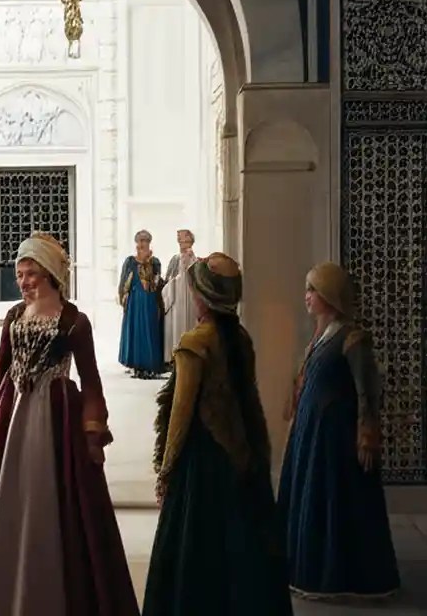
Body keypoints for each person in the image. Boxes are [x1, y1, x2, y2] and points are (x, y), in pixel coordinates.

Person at [0, 233, 138, 616]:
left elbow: (91, 380)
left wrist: (92, 430)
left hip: (56, 417)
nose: (23, 281)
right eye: (20, 274)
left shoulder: (74, 321)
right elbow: (2, 365)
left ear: (51, 273)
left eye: (31, 273)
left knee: (56, 501)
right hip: (11, 414)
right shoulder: (14, 316)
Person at [143, 253, 292, 615]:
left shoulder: (195, 343)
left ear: (202, 297)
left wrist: (165, 472)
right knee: (241, 551)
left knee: (195, 553)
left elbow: (179, 417)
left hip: (203, 464)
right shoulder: (239, 337)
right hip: (240, 457)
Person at [278, 261, 399, 599]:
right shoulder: (321, 336)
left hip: (336, 440)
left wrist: (367, 435)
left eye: (313, 290)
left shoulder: (352, 338)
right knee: (312, 500)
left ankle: (340, 577)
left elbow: (367, 391)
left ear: (329, 295)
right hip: (313, 434)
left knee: (335, 504)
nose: (307, 297)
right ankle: (308, 571)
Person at [119, 229, 166, 379]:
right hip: (135, 301)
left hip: (150, 300)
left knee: (149, 329)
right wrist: (124, 298)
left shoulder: (155, 261)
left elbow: (156, 281)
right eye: (140, 241)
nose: (142, 244)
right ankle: (136, 363)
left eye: (145, 241)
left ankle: (150, 363)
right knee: (136, 329)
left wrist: (147, 262)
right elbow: (124, 281)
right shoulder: (130, 261)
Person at [160, 229, 200, 368]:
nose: (181, 242)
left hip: (189, 298)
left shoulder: (194, 259)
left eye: (184, 239)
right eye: (180, 240)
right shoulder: (175, 259)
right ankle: (174, 358)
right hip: (175, 299)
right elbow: (168, 278)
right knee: (175, 326)